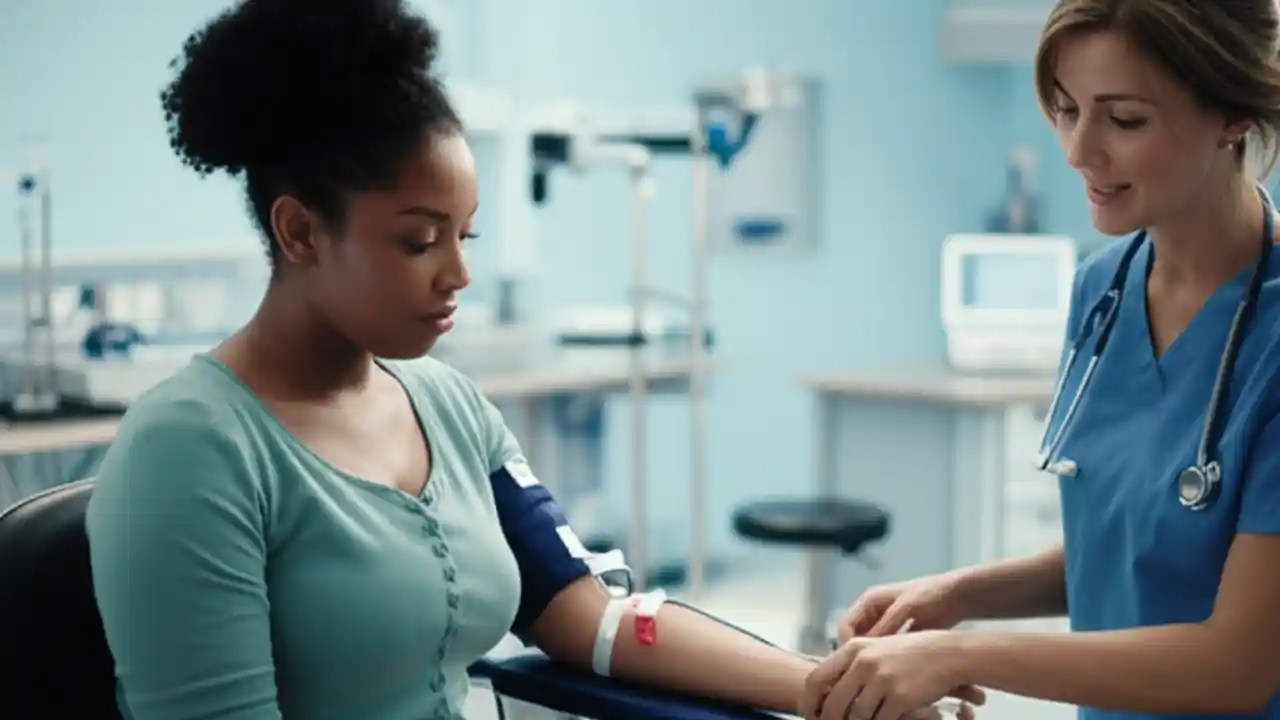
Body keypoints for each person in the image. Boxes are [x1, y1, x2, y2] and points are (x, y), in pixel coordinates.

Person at [800, 1, 1280, 719]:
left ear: (1233, 115)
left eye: (1124, 120)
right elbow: (1138, 547)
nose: (1079, 151)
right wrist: (962, 595)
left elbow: (1236, 665)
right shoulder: (1102, 288)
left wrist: (960, 654)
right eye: (1065, 109)